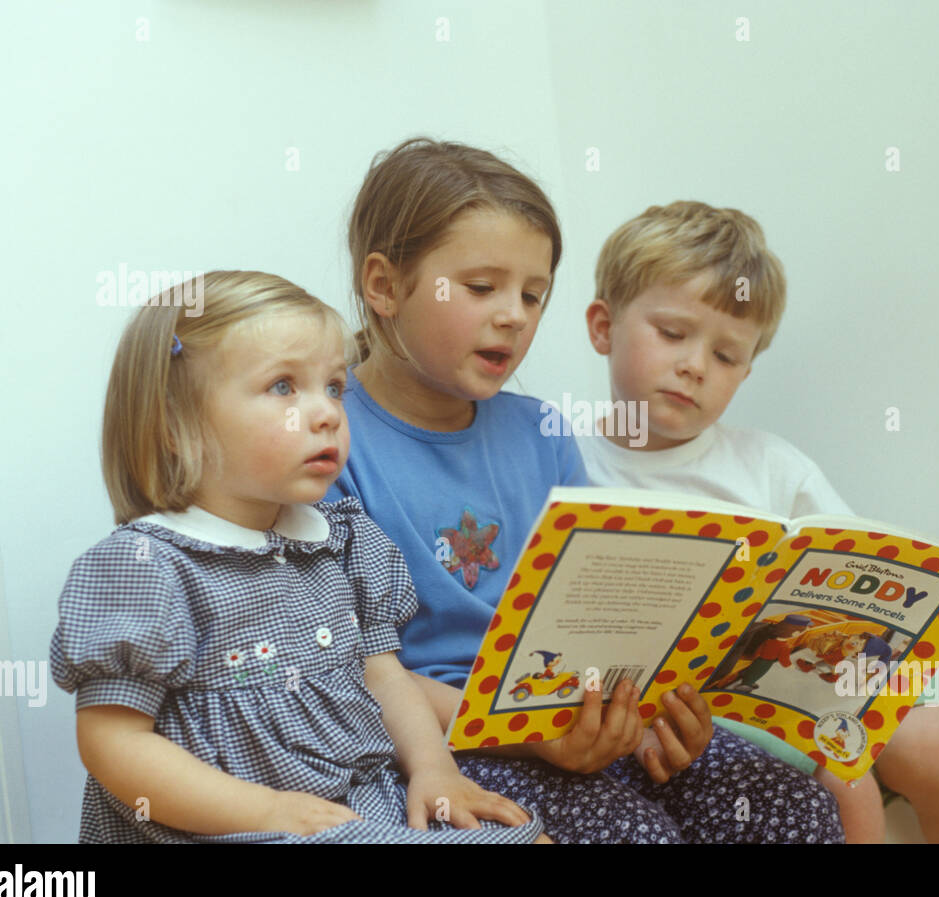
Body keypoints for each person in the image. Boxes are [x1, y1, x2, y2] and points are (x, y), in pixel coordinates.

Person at [325, 138, 845, 843]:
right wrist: (530, 736)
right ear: (383, 286)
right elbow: (345, 667)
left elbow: (596, 619)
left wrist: (655, 715)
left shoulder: (541, 430)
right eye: (482, 288)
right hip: (449, 739)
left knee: (798, 810)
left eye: (533, 295)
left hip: (571, 719)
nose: (514, 314)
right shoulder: (327, 442)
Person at [50, 270, 545, 843]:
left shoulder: (339, 538)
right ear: (174, 425)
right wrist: (265, 812)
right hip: (234, 825)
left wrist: (435, 769)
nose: (328, 412)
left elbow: (384, 676)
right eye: (284, 387)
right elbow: (114, 742)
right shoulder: (146, 567)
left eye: (333, 386)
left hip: (355, 807)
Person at [576, 200, 939, 844]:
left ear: (747, 372)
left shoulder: (771, 465)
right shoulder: (562, 459)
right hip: (667, 710)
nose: (696, 365)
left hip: (801, 685)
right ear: (603, 326)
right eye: (672, 334)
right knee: (843, 777)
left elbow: (856, 574)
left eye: (726, 356)